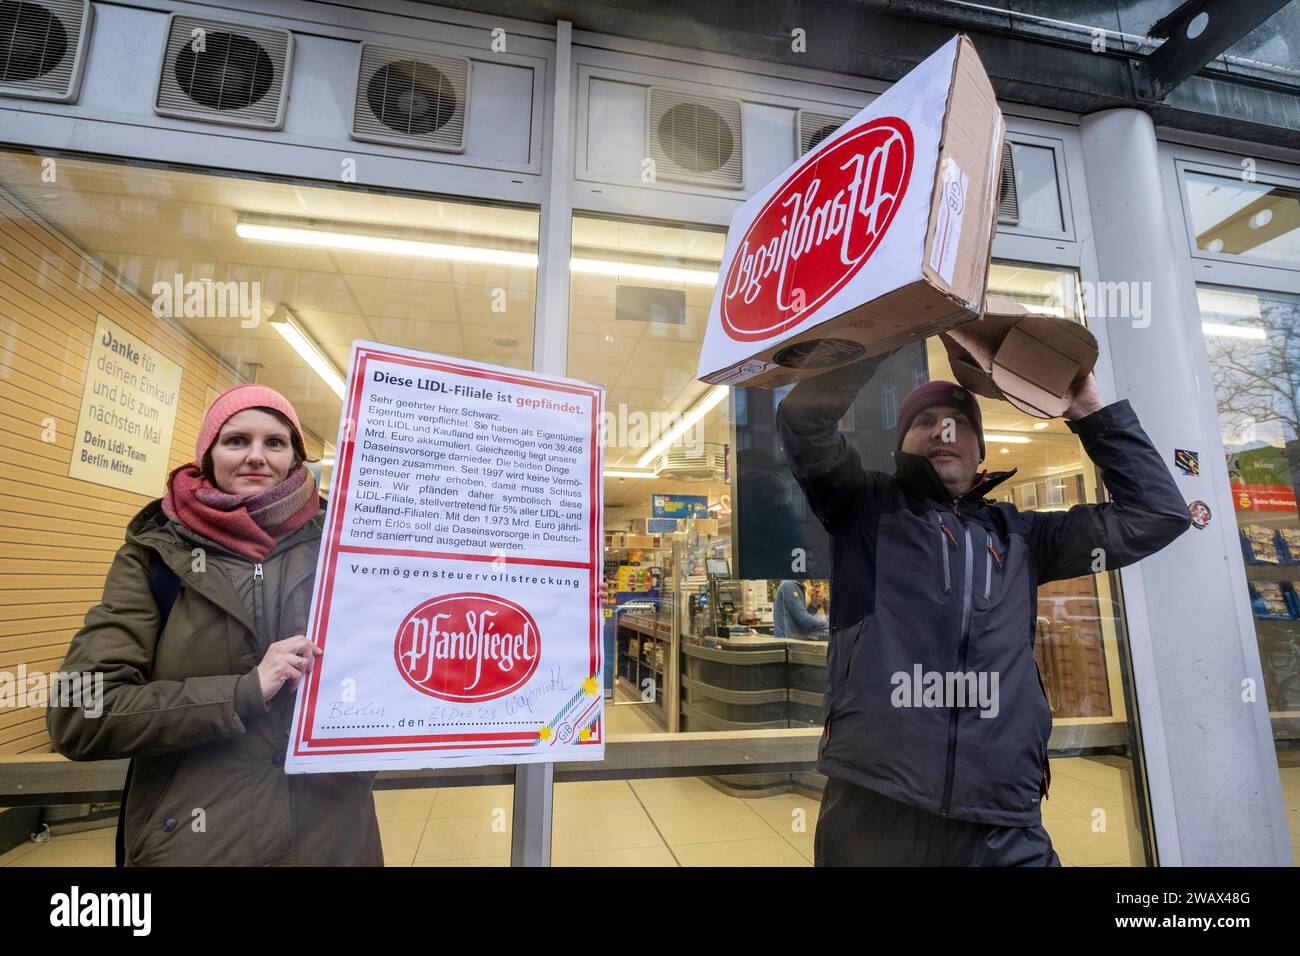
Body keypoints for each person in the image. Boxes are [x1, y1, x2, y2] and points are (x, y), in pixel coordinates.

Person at [776, 356, 1191, 866]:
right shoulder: (863, 509)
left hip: (1003, 818)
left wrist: (1089, 412)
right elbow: (802, 420)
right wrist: (882, 339)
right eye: (924, 422)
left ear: (980, 450)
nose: (943, 430)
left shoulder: (1024, 537)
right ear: (901, 444)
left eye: (960, 423)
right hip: (876, 806)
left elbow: (1157, 514)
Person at [47, 384, 383, 866]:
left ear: (294, 458)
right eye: (236, 440)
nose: (256, 457)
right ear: (208, 455)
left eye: (274, 442)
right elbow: (80, 713)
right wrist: (241, 693)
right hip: (197, 843)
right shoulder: (154, 557)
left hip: (332, 838)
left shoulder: (346, 550)